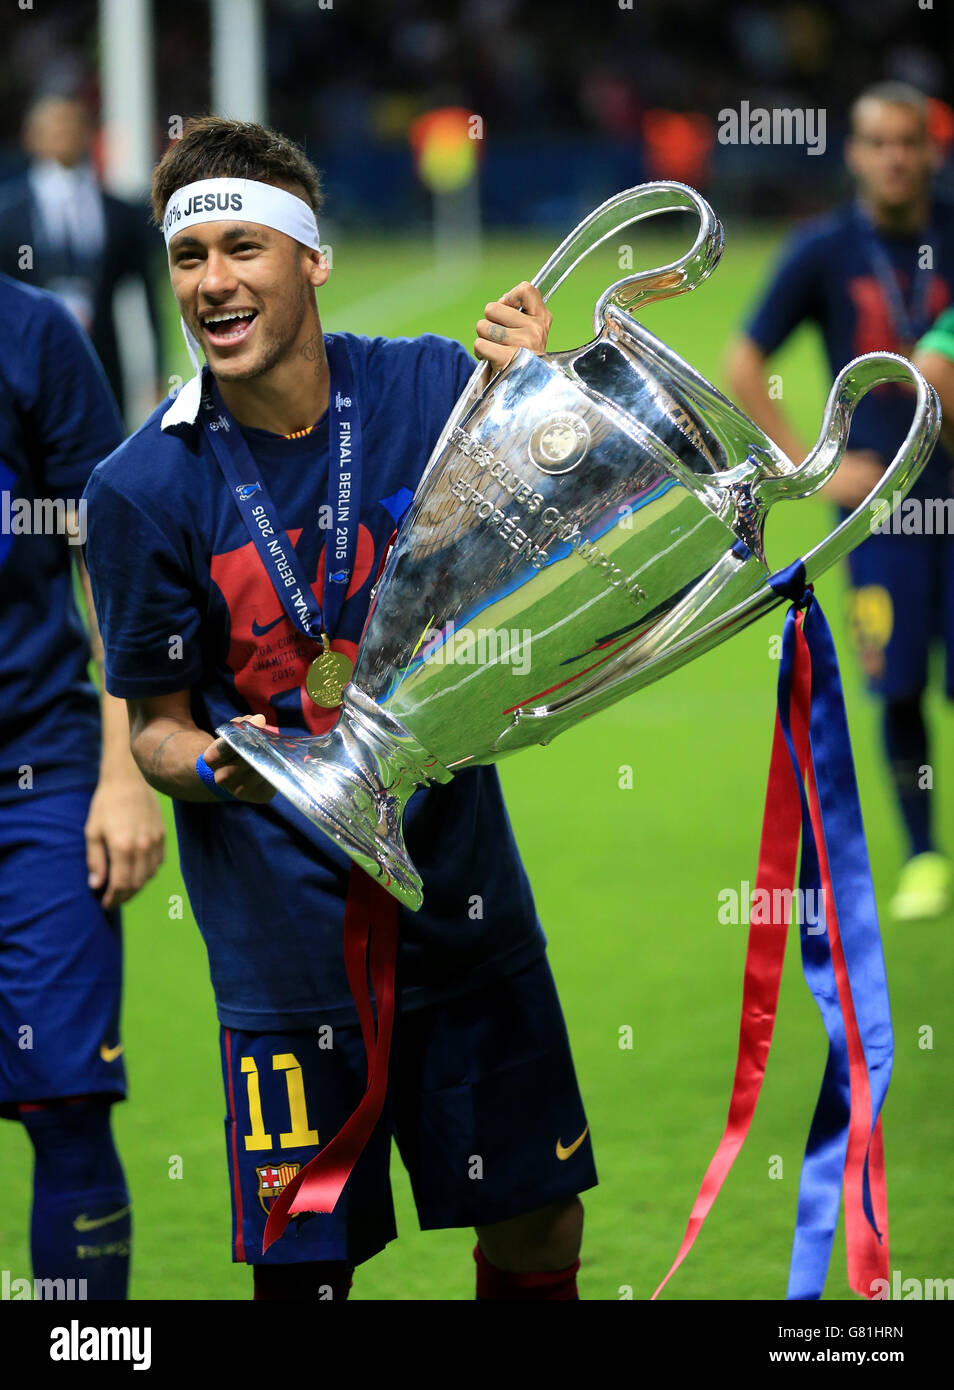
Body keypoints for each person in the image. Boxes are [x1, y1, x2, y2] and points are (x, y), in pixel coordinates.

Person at [82, 116, 596, 1302]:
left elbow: (571, 526)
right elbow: (155, 729)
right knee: (309, 1272)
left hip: (464, 904)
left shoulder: (428, 387)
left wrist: (539, 395)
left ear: (310, 258)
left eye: (244, 249)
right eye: (190, 258)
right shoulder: (142, 485)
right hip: (288, 949)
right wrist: (252, 770)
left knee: (537, 1226)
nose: (214, 283)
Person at [725, 81, 954, 921]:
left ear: (931, 151)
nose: (896, 157)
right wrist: (812, 466)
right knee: (896, 688)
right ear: (855, 154)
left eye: (911, 142)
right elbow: (743, 358)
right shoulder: (823, 248)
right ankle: (926, 853)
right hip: (876, 515)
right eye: (879, 143)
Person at [0, 273, 165, 1299]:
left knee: (64, 1100)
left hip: (42, 772)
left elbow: (105, 554)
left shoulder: (33, 336)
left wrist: (122, 770)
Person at [0, 94, 164, 421]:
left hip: (102, 366)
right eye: (53, 126)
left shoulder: (119, 212)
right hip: (26, 366)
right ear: (31, 137)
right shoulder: (8, 215)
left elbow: (147, 292)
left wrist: (156, 368)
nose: (64, 134)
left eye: (72, 125)